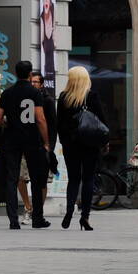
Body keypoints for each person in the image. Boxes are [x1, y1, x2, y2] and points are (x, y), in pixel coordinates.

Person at [0, 60, 51, 230]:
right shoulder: (35, 93)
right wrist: (46, 141)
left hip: (11, 139)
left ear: (16, 73)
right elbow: (40, 118)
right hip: (31, 139)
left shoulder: (7, 92)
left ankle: (13, 220)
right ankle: (37, 218)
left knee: (12, 178)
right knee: (36, 178)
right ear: (30, 74)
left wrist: (7, 124)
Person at [57, 66, 107, 231]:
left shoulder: (64, 97)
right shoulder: (92, 96)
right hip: (90, 144)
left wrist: (65, 142)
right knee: (88, 179)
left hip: (71, 145)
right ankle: (85, 216)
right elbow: (101, 121)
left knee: (73, 179)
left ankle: (70, 211)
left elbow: (59, 124)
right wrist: (104, 142)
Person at [14, 70, 59, 218]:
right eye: (31, 81)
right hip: (25, 143)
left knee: (42, 180)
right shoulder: (22, 97)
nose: (32, 84)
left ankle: (37, 209)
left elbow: (52, 125)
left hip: (41, 145)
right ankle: (28, 206)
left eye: (35, 82)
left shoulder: (48, 101)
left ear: (41, 84)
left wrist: (49, 146)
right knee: (21, 177)